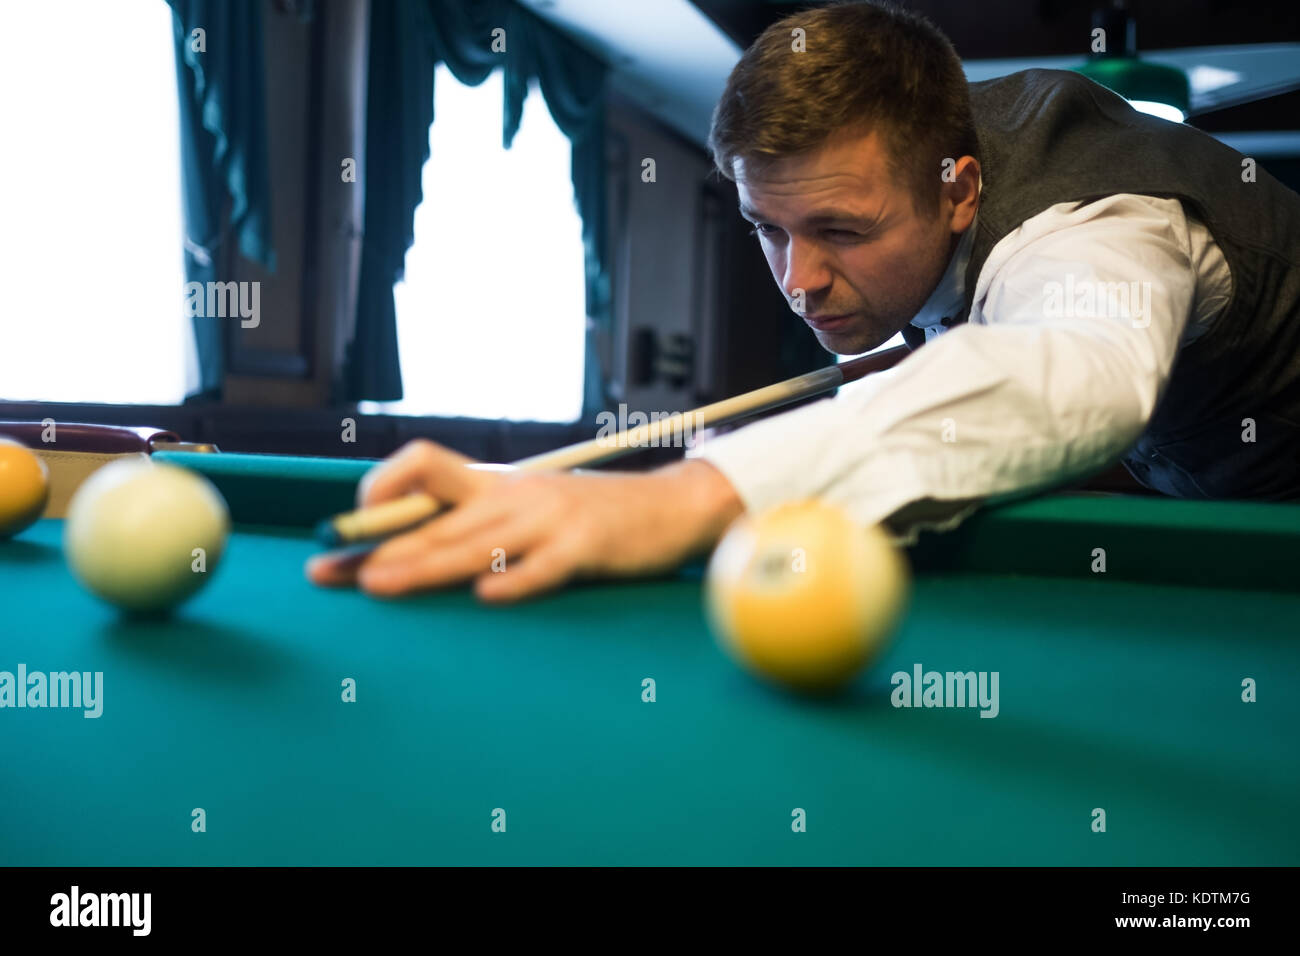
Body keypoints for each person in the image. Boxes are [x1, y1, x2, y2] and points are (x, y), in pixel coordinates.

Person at [308, 0, 1300, 602]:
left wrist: (692, 496)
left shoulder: (1095, 221)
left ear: (957, 190)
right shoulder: (921, 184)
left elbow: (1072, 369)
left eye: (840, 231)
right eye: (767, 227)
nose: (797, 279)